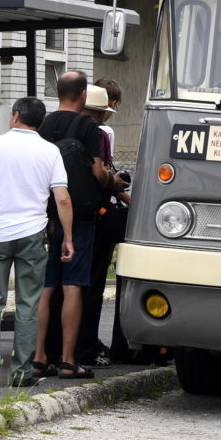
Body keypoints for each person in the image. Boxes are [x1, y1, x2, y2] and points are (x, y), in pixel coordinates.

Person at [0, 97, 73, 388]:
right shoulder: (49, 151)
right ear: (40, 122)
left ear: (14, 116)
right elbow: (62, 198)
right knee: (28, 304)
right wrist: (68, 238)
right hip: (32, 235)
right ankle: (22, 373)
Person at [33, 70, 109, 379]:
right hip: (79, 216)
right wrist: (113, 182)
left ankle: (39, 357)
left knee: (46, 286)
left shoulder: (45, 124)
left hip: (46, 214)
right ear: (82, 97)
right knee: (73, 284)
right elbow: (98, 173)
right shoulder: (88, 126)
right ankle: (67, 360)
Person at [77, 80, 131, 366]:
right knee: (93, 285)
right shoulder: (100, 135)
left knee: (70, 285)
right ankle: (86, 346)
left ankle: (68, 346)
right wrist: (116, 182)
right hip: (95, 215)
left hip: (64, 215)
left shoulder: (58, 129)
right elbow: (102, 174)